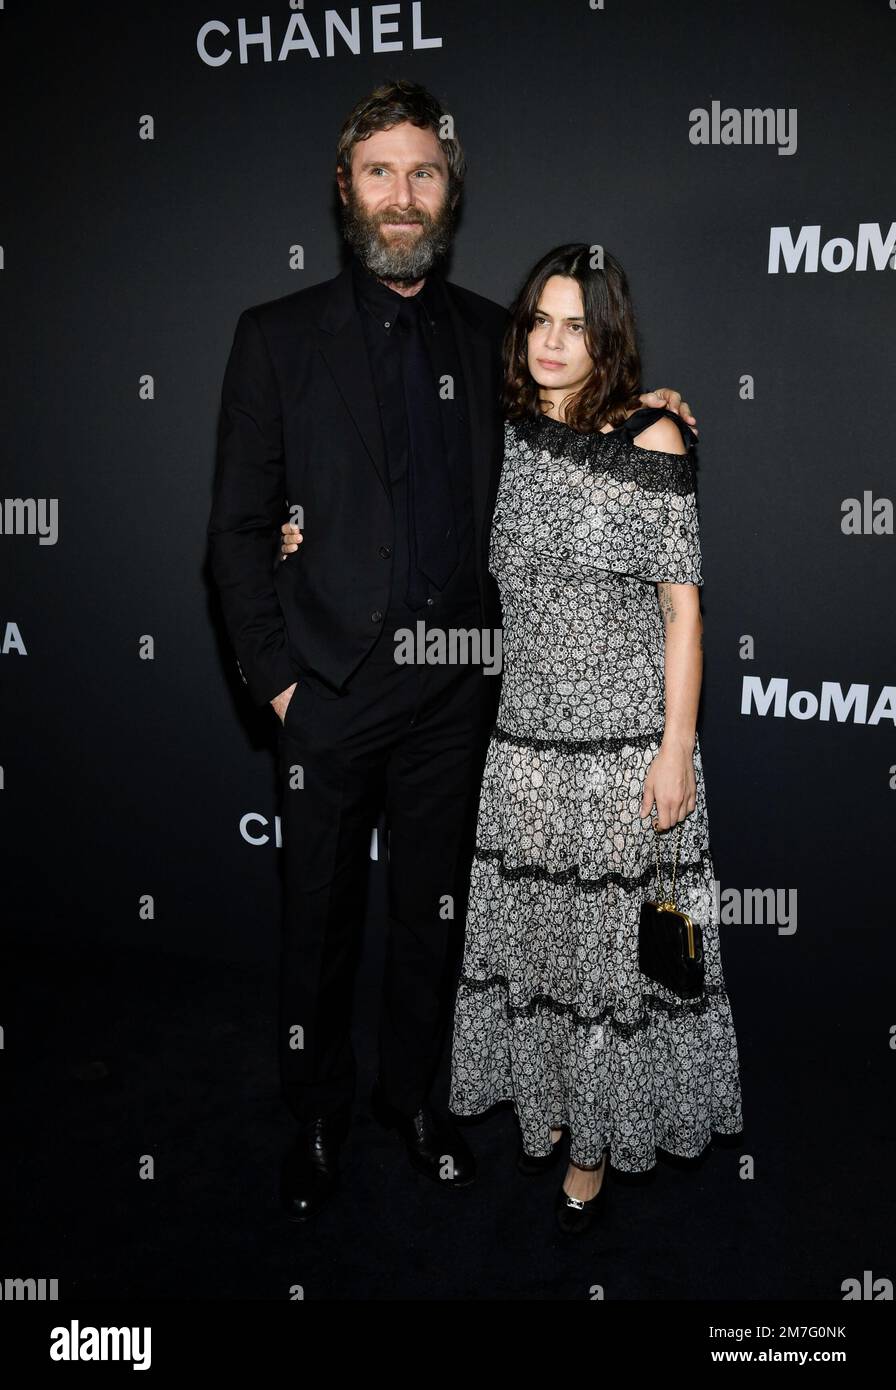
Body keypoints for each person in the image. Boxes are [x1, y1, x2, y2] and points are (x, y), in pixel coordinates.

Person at [212, 78, 694, 1223]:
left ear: (449, 192)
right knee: (317, 922)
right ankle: (317, 1114)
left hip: (460, 699)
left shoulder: (495, 337)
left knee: (432, 917)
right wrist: (279, 682)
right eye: (378, 170)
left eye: (421, 171)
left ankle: (411, 1103)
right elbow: (236, 532)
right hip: (324, 692)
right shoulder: (274, 339)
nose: (400, 193)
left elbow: (580, 419)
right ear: (346, 189)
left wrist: (650, 416)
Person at [443, 244, 743, 1234]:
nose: (552, 341)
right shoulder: (515, 434)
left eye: (575, 324)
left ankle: (595, 1143)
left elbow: (683, 616)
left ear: (606, 334)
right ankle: (553, 1110)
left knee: (625, 961)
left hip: (622, 752)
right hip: (523, 745)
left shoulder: (650, 438)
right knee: (545, 957)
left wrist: (673, 749)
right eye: (538, 320)